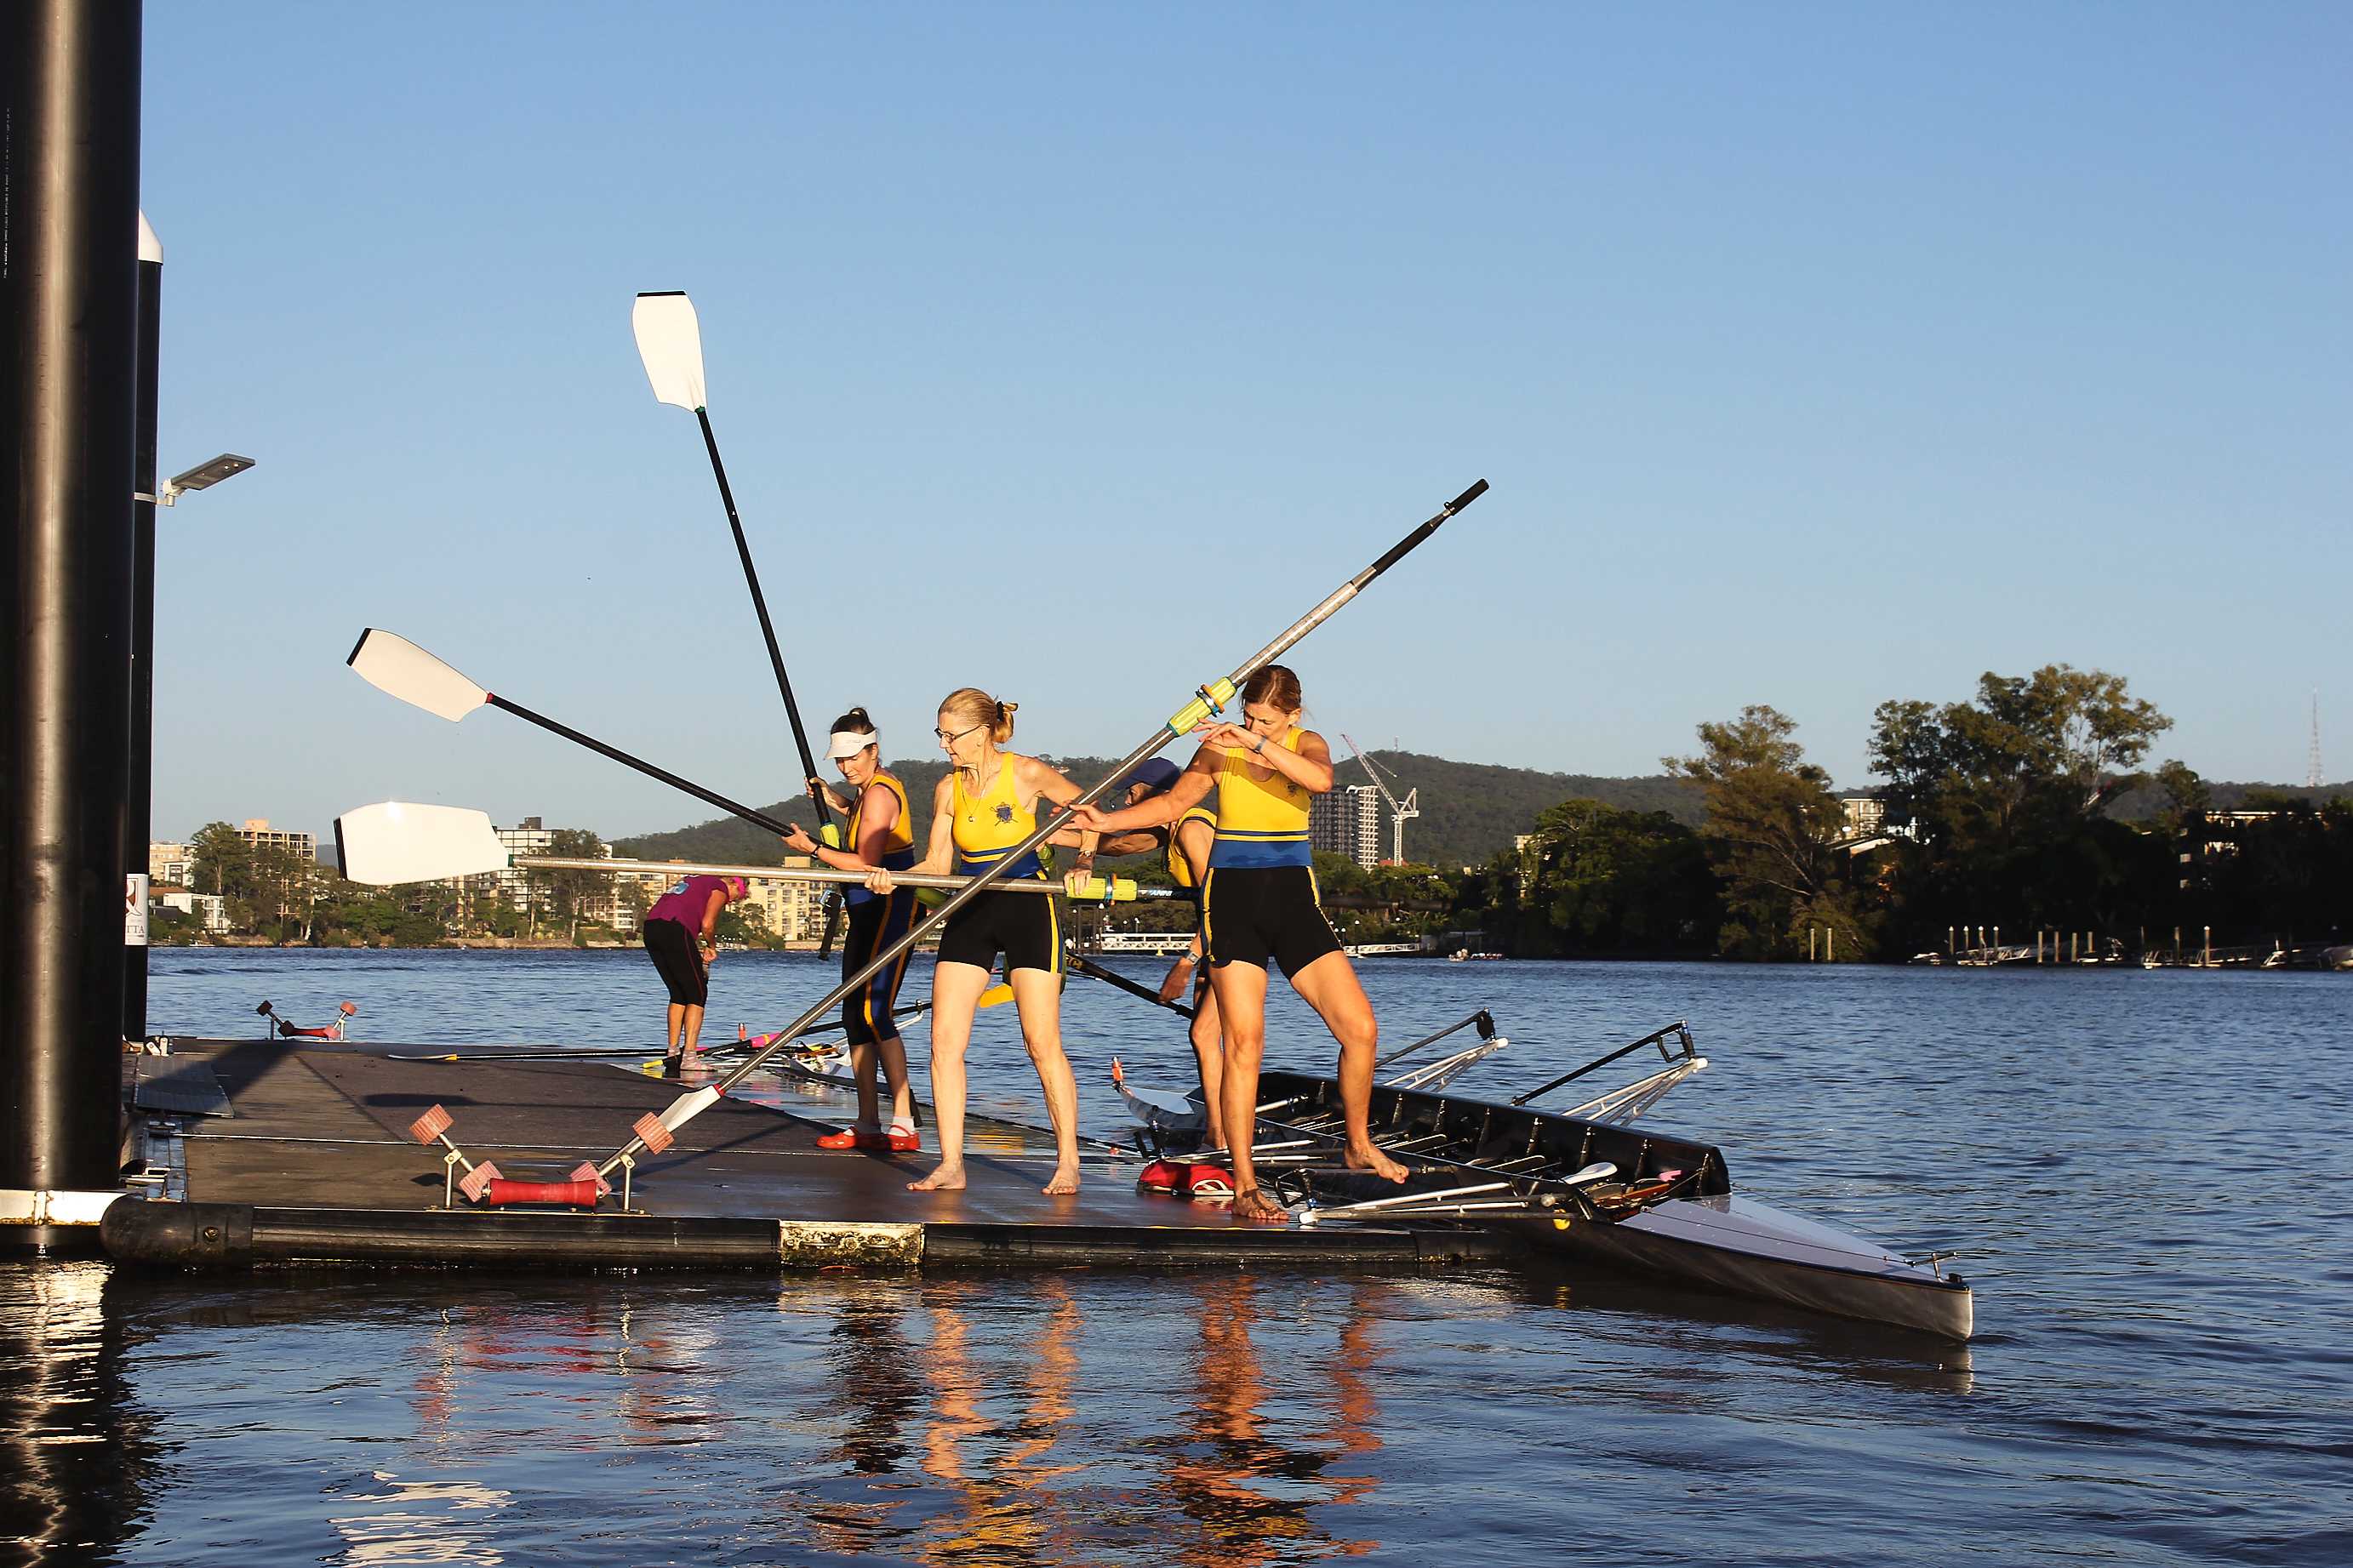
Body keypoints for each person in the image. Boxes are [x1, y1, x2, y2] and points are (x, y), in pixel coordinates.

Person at [1066, 664, 1408, 1219]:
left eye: (1265, 720)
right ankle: (1245, 1184)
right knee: (1244, 1044)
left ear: (1291, 717)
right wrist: (1103, 820)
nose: (1251, 725)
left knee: (1361, 1029)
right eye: (1247, 715)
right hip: (1232, 902)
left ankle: (1357, 1141)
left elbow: (1319, 781)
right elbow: (1171, 806)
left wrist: (1253, 739)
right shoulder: (1220, 750)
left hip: (1293, 901)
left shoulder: (1305, 743)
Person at [867, 688, 1089, 1195]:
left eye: (952, 735)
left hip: (1026, 902)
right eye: (940, 735)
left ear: (984, 731)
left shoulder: (1027, 772)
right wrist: (892, 877)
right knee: (944, 1041)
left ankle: (1069, 1161)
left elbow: (1088, 814)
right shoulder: (948, 788)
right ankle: (951, 1163)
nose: (945, 745)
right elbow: (938, 865)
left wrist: (1083, 863)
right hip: (969, 904)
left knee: (1040, 1042)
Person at [1051, 757, 1231, 1150]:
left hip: (1232, 935)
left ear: (1155, 792)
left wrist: (1185, 964)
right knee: (1208, 1036)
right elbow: (1120, 844)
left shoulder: (1193, 828)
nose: (1129, 800)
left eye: (1132, 791)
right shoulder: (1169, 830)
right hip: (1218, 939)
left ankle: (1221, 1136)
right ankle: (1218, 1126)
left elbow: (1223, 903)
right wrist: (1060, 834)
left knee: (1207, 1034)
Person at [783, 705, 921, 1153]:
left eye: (852, 758)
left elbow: (866, 861)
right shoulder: (864, 795)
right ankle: (867, 1122)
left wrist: (812, 848)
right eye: (839, 761)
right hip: (865, 911)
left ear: (873, 750)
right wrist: (832, 798)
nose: (846, 767)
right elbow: (862, 825)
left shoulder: (880, 794)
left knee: (875, 1013)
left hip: (890, 909)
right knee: (853, 1017)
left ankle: (904, 1122)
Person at [641, 871, 747, 1075]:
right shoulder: (719, 887)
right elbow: (707, 924)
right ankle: (689, 1056)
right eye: (737, 897)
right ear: (733, 885)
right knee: (698, 994)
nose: (731, 902)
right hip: (673, 928)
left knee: (679, 992)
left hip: (652, 927)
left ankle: (672, 1054)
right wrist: (712, 946)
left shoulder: (693, 881)